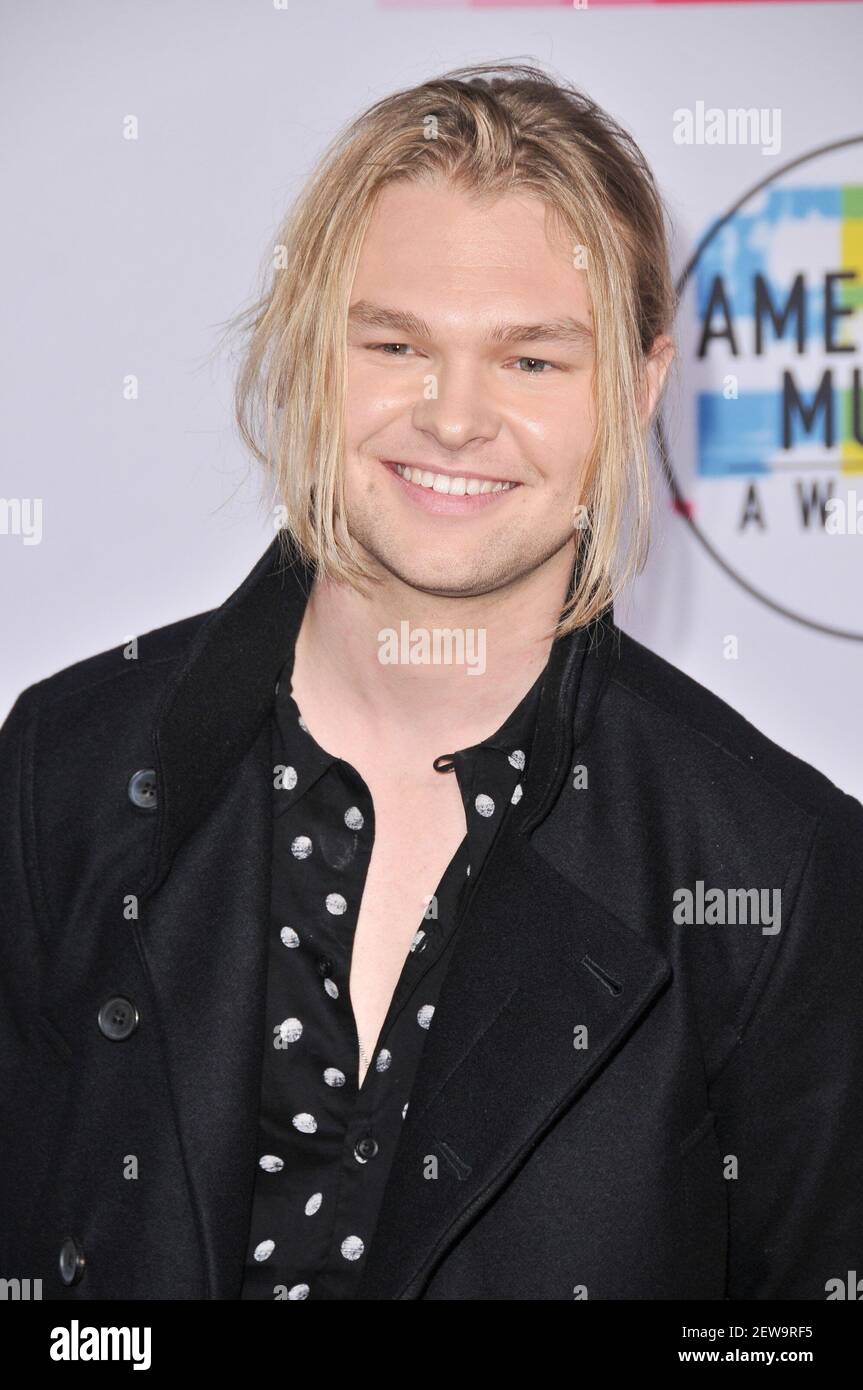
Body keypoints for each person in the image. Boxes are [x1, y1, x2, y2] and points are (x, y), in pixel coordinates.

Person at [1, 61, 860, 1302]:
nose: (453, 417)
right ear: (308, 348)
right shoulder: (66, 769)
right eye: (397, 343)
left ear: (638, 384)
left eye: (530, 363)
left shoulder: (768, 869)